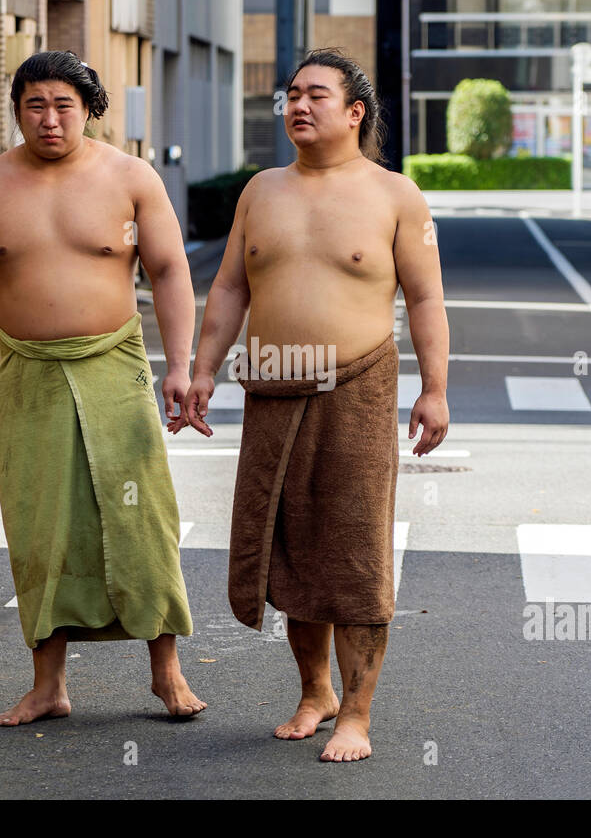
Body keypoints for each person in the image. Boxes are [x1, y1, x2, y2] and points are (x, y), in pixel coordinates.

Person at [0, 50, 206, 725]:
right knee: (39, 524)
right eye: (35, 104)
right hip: (28, 372)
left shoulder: (130, 179)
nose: (50, 119)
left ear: (89, 110)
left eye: (64, 105)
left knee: (142, 516)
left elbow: (170, 271)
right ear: (16, 111)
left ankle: (167, 671)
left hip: (114, 364)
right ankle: (49, 685)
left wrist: (179, 365)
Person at [172, 48, 449, 761]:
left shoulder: (396, 196)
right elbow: (230, 287)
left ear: (354, 112)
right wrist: (202, 369)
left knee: (353, 554)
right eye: (291, 94)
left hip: (357, 389)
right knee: (289, 550)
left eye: (315, 95)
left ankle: (357, 713)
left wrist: (436, 389)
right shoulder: (260, 190)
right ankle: (314, 691)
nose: (297, 105)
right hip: (271, 389)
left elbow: (424, 297)